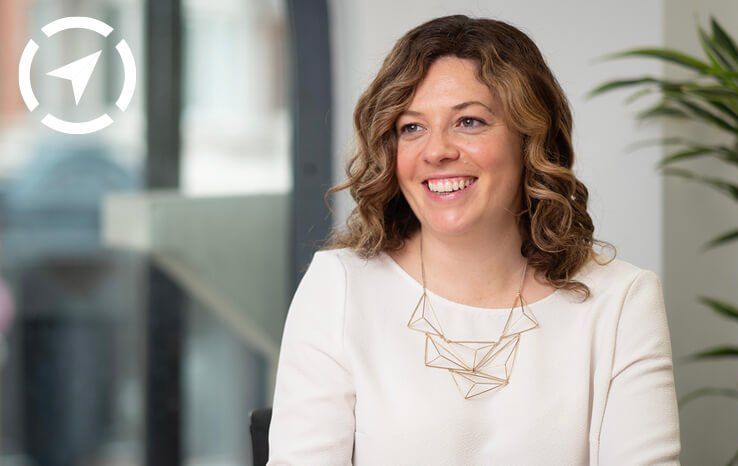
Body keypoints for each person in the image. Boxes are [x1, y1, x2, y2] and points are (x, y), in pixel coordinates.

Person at [267, 14, 681, 466]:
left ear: (530, 139)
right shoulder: (340, 287)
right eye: (412, 127)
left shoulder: (621, 301)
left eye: (468, 121)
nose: (437, 150)